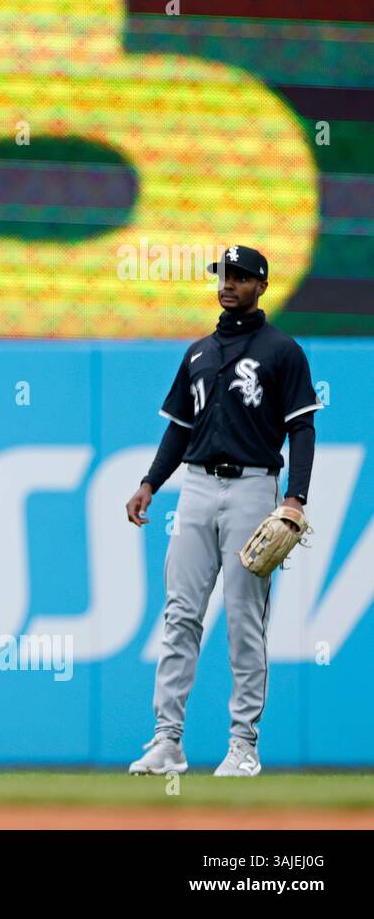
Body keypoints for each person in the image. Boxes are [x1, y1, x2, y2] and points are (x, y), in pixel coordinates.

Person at [124, 245, 319, 777]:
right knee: (180, 615)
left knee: (243, 621)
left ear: (261, 286)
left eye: (240, 276)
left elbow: (302, 427)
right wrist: (149, 482)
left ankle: (243, 746)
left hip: (254, 488)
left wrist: (294, 497)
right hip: (196, 488)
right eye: (223, 275)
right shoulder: (197, 353)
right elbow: (179, 429)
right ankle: (168, 742)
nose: (228, 283)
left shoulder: (283, 351)